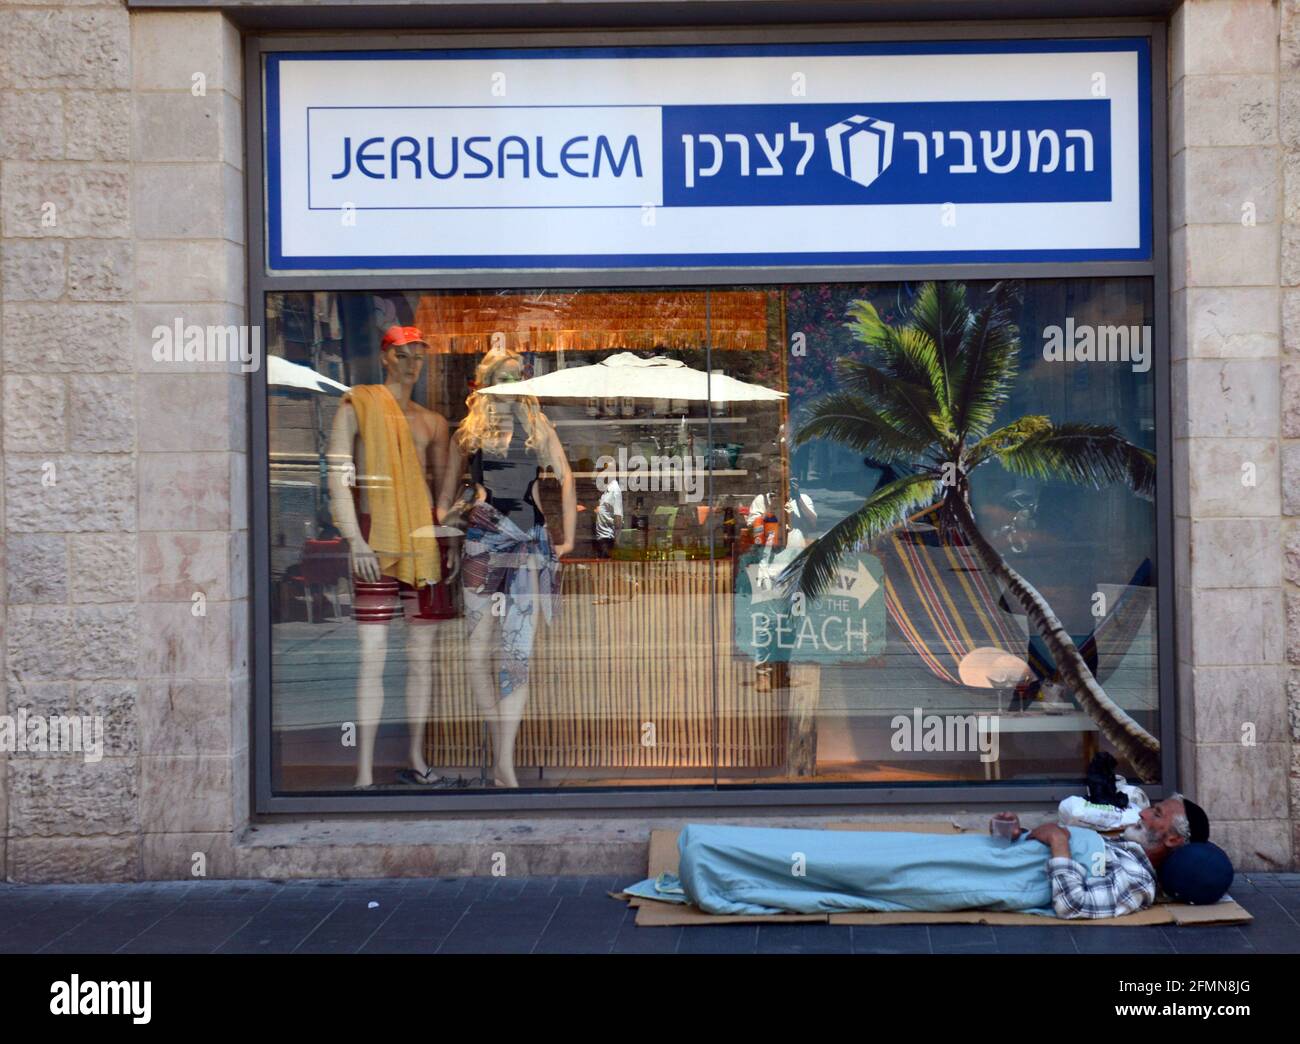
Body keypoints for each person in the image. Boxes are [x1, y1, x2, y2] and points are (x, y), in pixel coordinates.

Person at [437, 345, 576, 788]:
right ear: (486, 382)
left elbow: (565, 476)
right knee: (477, 652)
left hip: (528, 545)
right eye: (502, 376)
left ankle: (505, 765)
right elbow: (442, 507)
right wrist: (464, 506)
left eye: (517, 376)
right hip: (481, 542)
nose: (509, 384)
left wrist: (565, 536)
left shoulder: (536, 426)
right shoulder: (468, 433)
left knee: (516, 656)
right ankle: (500, 750)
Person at [992, 792, 1208, 918]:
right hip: (994, 861)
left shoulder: (1138, 880)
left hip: (991, 876)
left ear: (1172, 839)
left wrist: (1058, 841)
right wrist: (1011, 834)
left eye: (1156, 813)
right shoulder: (1123, 846)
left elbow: (1073, 905)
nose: (1143, 812)